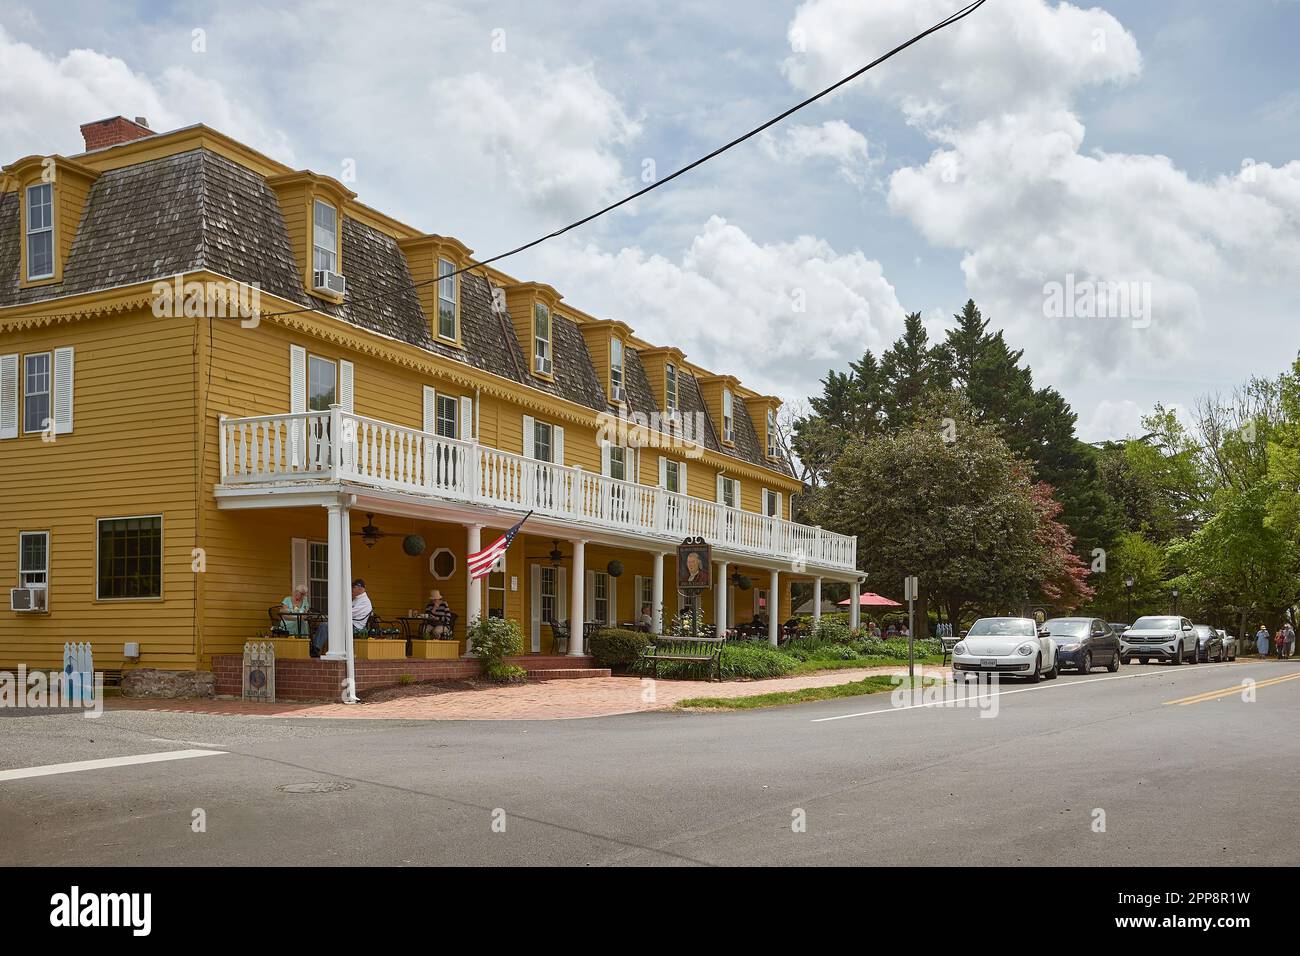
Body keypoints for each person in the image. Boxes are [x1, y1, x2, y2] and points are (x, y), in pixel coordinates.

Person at [312, 579, 373, 657]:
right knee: (325, 625)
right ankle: (316, 649)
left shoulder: (365, 602)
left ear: (359, 588)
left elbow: (348, 613)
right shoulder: (357, 599)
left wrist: (337, 615)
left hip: (355, 627)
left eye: (353, 587)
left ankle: (315, 649)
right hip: (349, 624)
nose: (351, 590)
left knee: (325, 626)